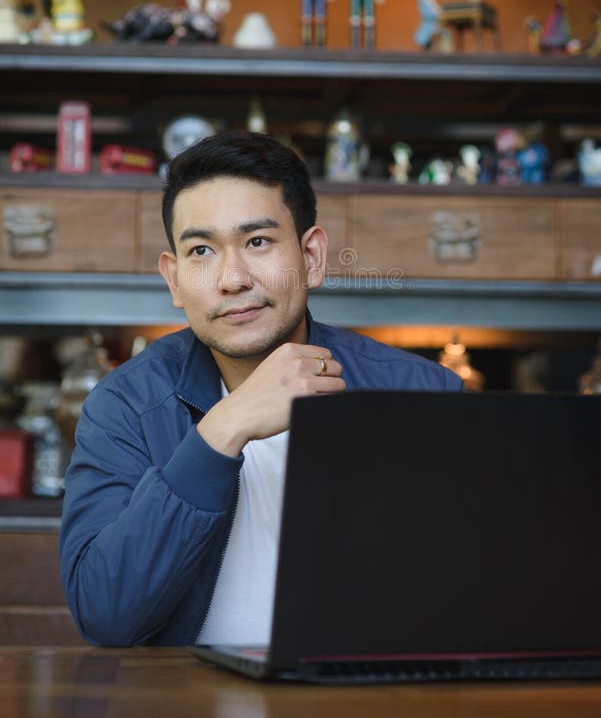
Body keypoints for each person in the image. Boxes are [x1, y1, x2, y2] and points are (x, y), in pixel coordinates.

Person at [59, 131, 462, 647]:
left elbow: (462, 595)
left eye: (257, 241)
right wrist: (223, 429)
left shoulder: (421, 393)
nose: (232, 278)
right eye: (201, 250)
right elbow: (106, 616)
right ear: (175, 279)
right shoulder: (125, 407)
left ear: (312, 257)